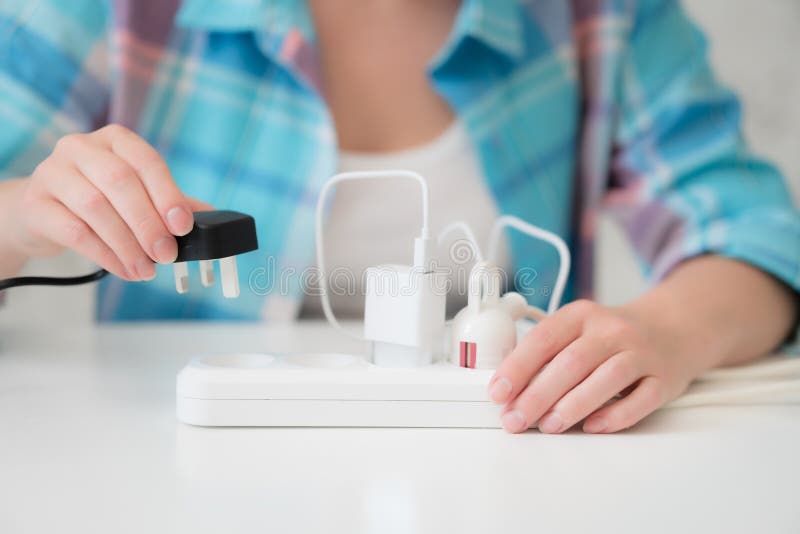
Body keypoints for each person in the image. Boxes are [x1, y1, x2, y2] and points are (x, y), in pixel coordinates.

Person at [0, 0, 798, 434]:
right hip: (179, 454)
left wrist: (668, 329)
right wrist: (25, 217)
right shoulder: (106, 9)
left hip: (506, 459)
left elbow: (757, 234)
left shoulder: (610, 15)